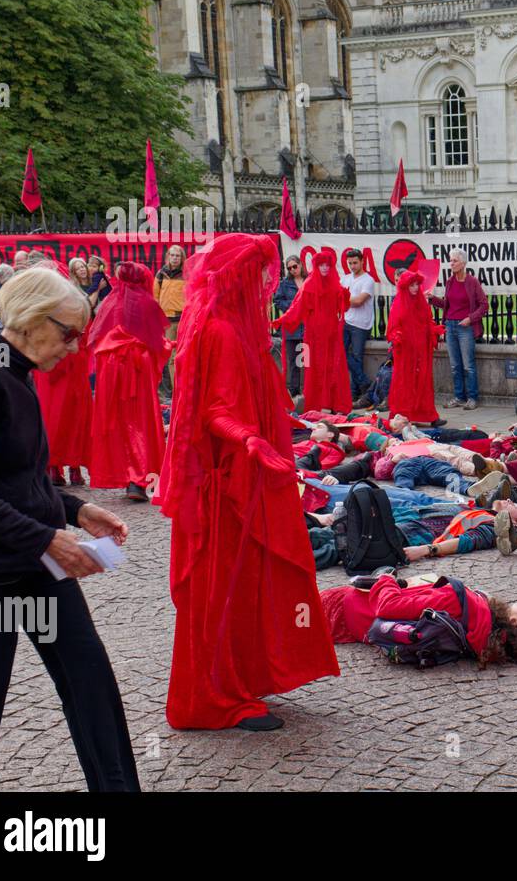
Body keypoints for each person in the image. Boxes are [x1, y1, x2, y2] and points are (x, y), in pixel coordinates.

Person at [0, 267, 139, 791]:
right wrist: (45, 536)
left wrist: (75, 511)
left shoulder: (17, 373)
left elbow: (18, 479)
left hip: (36, 564)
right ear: (33, 320)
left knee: (91, 685)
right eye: (68, 334)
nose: (74, 349)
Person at [159, 233, 340, 732]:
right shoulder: (219, 330)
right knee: (221, 587)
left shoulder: (238, 326)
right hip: (228, 484)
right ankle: (212, 696)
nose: (268, 285)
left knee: (245, 581)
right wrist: (250, 441)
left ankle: (241, 674)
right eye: (260, 274)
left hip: (247, 475)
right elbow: (215, 409)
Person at [320, 574, 517, 665]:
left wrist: (387, 580)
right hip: (359, 629)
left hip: (347, 606)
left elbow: (389, 606)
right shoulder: (482, 636)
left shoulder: (462, 602)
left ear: (513, 621)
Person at [88, 263, 169, 501]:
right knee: (140, 421)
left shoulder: (110, 303)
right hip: (137, 367)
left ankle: (126, 474)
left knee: (117, 421)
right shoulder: (147, 304)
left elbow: (97, 339)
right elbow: (157, 342)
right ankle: (139, 478)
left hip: (111, 369)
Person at [36, 259, 94, 487]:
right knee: (58, 417)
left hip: (67, 364)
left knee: (69, 417)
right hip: (55, 365)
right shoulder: (51, 304)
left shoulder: (71, 303)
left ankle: (68, 466)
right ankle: (58, 467)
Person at [271, 251, 353, 413]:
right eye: (321, 265)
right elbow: (297, 307)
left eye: (327, 265)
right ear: (316, 266)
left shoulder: (335, 284)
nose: (324, 268)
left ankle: (335, 404)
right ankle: (316, 404)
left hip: (331, 334)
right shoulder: (309, 285)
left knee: (334, 367)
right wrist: (283, 320)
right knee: (314, 367)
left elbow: (343, 307)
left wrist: (344, 296)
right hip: (314, 334)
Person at [429, 249, 489, 411]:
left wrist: (470, 318)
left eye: (454, 261)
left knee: (468, 365)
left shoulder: (472, 282)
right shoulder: (450, 282)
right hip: (450, 325)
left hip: (465, 328)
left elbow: (484, 304)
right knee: (455, 365)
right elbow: (447, 305)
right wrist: (432, 299)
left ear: (463, 263)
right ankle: (459, 397)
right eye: (451, 261)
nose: (451, 264)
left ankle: (472, 397)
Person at [386, 269, 442, 424]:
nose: (416, 288)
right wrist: (396, 335)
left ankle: (429, 415)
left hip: (421, 349)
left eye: (417, 284)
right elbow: (392, 326)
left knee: (423, 380)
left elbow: (427, 320)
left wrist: (433, 330)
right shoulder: (398, 302)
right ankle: (404, 415)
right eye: (412, 285)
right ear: (405, 286)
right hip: (405, 350)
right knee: (405, 382)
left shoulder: (421, 302)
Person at [341, 249, 376, 407]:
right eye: (350, 263)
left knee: (356, 357)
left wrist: (344, 299)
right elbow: (339, 298)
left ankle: (356, 393)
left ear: (362, 262)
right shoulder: (345, 278)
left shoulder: (368, 280)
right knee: (341, 354)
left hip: (361, 324)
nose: (352, 266)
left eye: (355, 263)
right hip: (346, 320)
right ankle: (364, 385)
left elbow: (359, 301)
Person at [154, 244, 187, 403]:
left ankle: (182, 390)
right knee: (170, 357)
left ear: (182, 258)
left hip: (182, 319)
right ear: (168, 256)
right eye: (172, 255)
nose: (175, 258)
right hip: (166, 321)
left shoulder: (186, 274)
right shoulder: (161, 274)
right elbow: (155, 297)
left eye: (177, 256)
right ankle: (176, 391)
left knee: (181, 355)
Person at [274, 255, 306, 401]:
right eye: (289, 268)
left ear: (300, 264)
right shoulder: (285, 284)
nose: (293, 270)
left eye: (295, 266)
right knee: (293, 361)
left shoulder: (308, 280)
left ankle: (306, 390)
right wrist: (294, 306)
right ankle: (294, 391)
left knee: (305, 361)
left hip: (306, 327)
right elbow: (278, 300)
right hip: (291, 329)